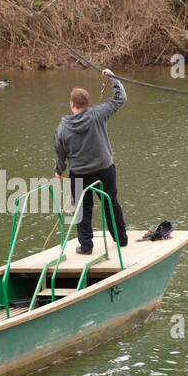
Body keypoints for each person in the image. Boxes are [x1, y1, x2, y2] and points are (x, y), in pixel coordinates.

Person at [52, 68, 129, 255]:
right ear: (86, 103)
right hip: (104, 170)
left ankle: (86, 247)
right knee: (110, 202)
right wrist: (112, 78)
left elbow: (60, 153)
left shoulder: (62, 128)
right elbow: (121, 98)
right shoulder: (98, 113)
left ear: (71, 104)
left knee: (83, 209)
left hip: (79, 174)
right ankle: (121, 239)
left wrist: (58, 171)